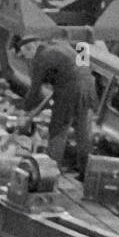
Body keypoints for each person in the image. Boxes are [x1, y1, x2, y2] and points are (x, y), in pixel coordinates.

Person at [16, 36, 97, 175]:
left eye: (25, 55)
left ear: (30, 48)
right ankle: (86, 172)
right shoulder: (59, 44)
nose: (26, 58)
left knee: (58, 129)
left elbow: (34, 90)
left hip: (69, 90)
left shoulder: (40, 58)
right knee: (83, 131)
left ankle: (51, 171)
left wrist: (24, 111)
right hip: (89, 85)